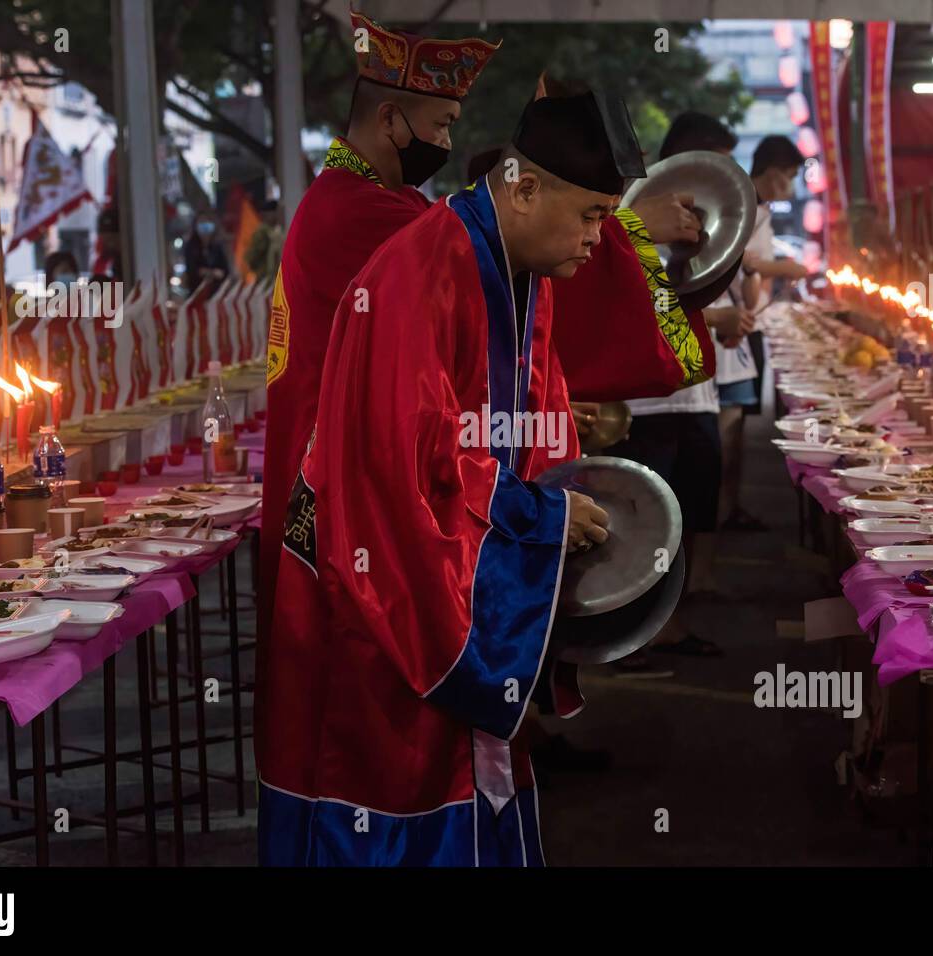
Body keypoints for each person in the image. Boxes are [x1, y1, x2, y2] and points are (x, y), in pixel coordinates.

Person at [258, 89, 652, 867]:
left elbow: (532, 430)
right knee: (392, 800)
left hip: (460, 578)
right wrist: (538, 518)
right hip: (383, 594)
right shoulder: (417, 270)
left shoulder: (518, 268)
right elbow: (396, 465)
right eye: (592, 216)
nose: (597, 240)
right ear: (526, 187)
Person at [257, 12, 709, 672]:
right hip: (351, 503)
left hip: (356, 474)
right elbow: (410, 430)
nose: (449, 141)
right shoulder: (388, 228)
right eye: (440, 126)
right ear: (389, 120)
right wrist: (535, 512)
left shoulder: (393, 213)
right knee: (366, 702)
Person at [605, 112, 752, 676]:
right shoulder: (629, 219)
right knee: (647, 526)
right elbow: (641, 310)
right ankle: (634, 635)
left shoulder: (698, 224)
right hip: (645, 406)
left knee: (689, 515)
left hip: (694, 397)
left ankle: (666, 624)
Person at [719, 135, 808, 532]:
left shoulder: (760, 208)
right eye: (789, 176)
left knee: (737, 430)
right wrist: (785, 270)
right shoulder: (743, 206)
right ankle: (719, 514)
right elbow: (743, 262)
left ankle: (728, 507)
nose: (790, 184)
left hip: (745, 318)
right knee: (728, 432)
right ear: (772, 172)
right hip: (731, 324)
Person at [183, 211, 230, 294]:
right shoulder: (191, 247)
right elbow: (192, 270)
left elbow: (225, 270)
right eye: (201, 223)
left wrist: (207, 272)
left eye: (207, 223)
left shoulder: (216, 247)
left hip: (216, 292)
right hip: (196, 292)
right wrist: (212, 273)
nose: (205, 227)